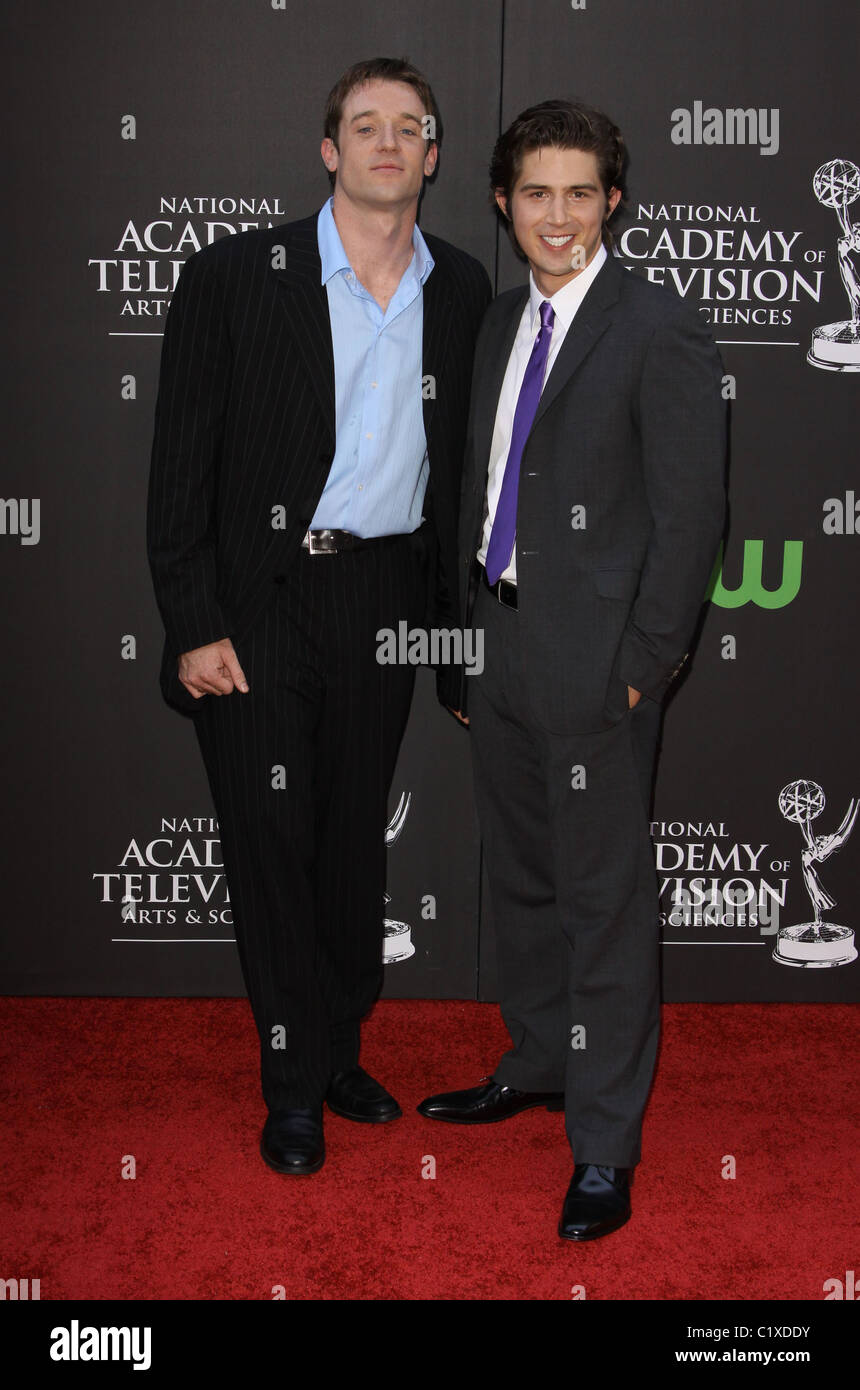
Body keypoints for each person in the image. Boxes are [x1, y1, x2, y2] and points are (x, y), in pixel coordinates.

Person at [147, 57, 491, 1176]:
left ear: (432, 156)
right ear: (329, 151)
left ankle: (339, 1044)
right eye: (364, 124)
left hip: (385, 597)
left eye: (410, 126)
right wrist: (194, 619)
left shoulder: (465, 291)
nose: (387, 142)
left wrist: (452, 650)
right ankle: (291, 1081)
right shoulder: (236, 276)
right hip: (261, 601)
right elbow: (177, 470)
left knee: (350, 845)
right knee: (270, 844)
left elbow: (460, 490)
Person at [418, 100, 727, 1241]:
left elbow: (692, 517)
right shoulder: (499, 322)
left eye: (579, 192)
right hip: (493, 645)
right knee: (525, 883)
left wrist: (643, 665)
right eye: (535, 193)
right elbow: (475, 489)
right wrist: (458, 640)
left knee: (600, 906)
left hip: (598, 666)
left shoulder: (659, 325)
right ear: (502, 203)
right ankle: (539, 1061)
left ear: (612, 201)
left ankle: (601, 1144)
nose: (558, 216)